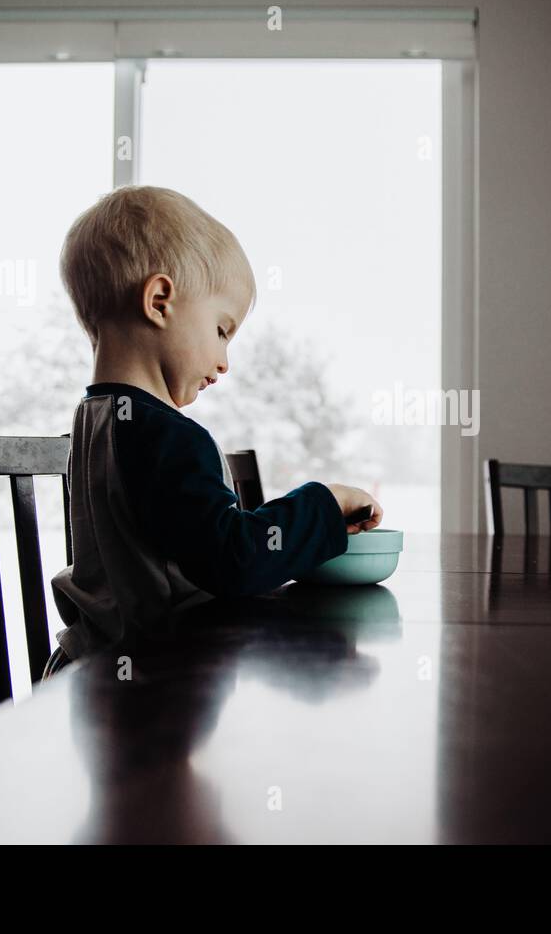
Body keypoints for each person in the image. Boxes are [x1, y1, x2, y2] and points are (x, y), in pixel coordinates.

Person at [45, 185, 381, 672]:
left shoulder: (93, 420)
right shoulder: (167, 436)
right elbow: (232, 560)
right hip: (154, 680)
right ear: (160, 300)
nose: (225, 362)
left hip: (89, 669)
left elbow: (197, 542)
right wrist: (324, 504)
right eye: (222, 330)